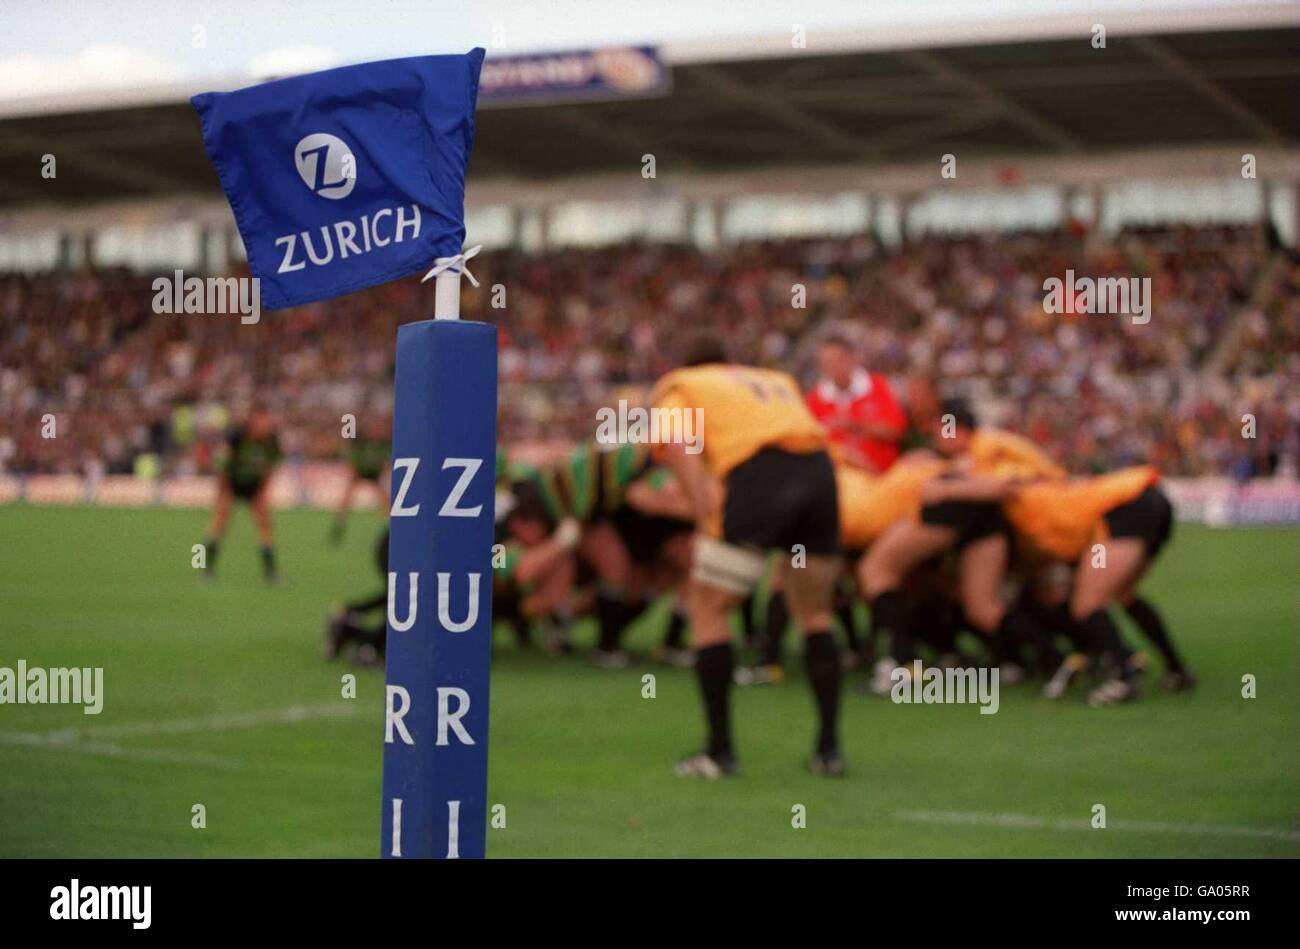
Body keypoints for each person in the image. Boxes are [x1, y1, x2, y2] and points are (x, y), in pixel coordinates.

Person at [650, 336, 844, 778]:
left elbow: (678, 445)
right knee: (815, 614)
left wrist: (704, 517)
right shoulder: (773, 378)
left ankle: (719, 754)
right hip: (818, 471)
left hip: (759, 474)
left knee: (708, 608)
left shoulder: (682, 384)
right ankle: (828, 750)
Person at [202, 404, 283, 583]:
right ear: (252, 422)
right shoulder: (237, 438)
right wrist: (222, 493)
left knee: (266, 525)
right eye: (261, 421)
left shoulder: (272, 441)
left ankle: (271, 573)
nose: (265, 425)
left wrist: (262, 492)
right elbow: (223, 467)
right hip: (232, 484)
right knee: (219, 523)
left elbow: (271, 468)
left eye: (267, 421)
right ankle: (206, 569)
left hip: (254, 486)